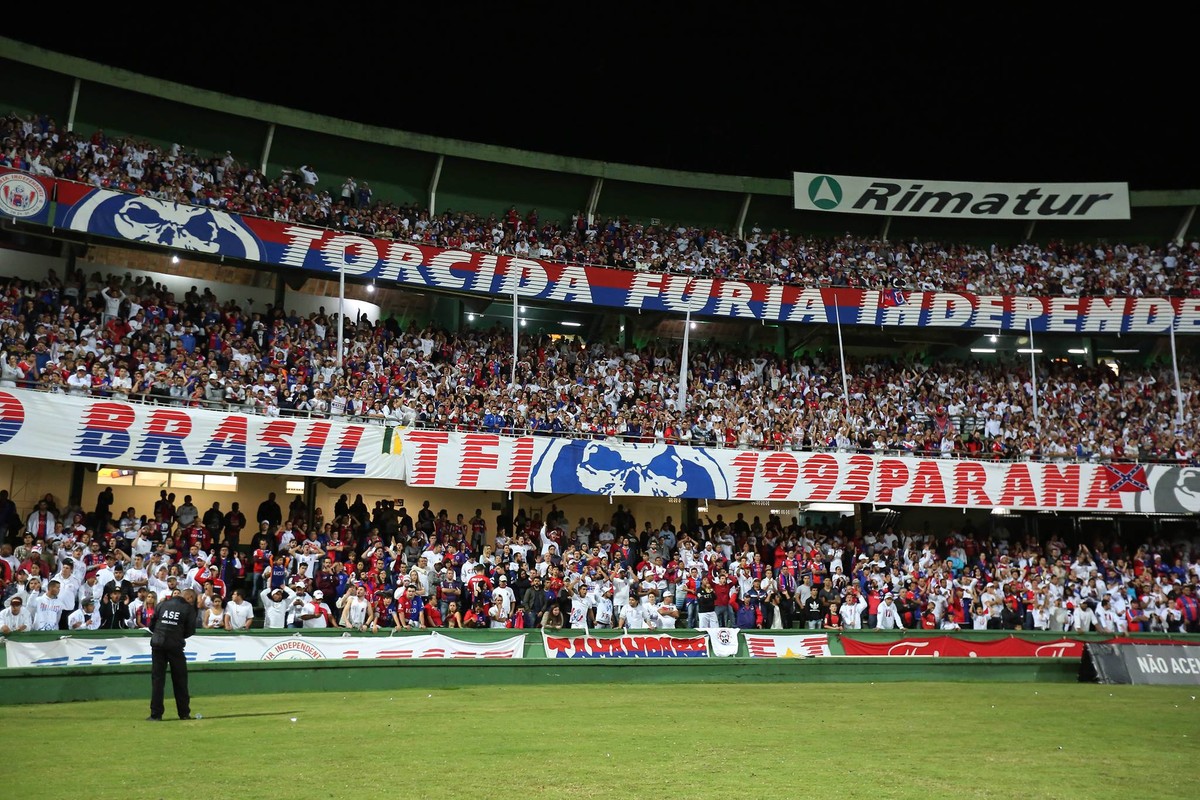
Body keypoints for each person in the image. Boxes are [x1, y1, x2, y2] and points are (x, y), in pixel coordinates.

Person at [148, 588, 196, 721]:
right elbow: (190, 630)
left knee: (157, 680)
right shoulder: (188, 609)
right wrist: (178, 634)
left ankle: (155, 714)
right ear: (190, 598)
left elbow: (152, 626)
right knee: (180, 680)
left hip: (157, 644)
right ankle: (184, 713)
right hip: (175, 646)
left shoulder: (162, 604)